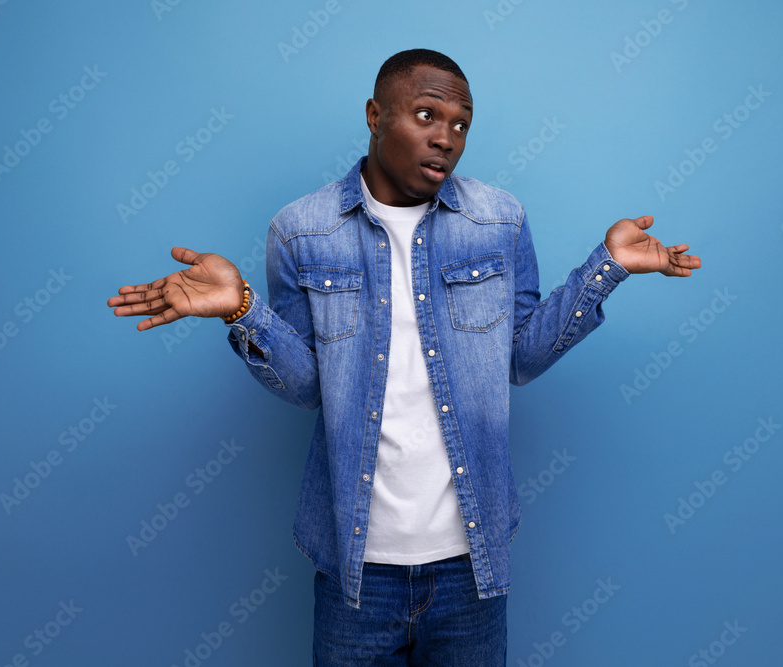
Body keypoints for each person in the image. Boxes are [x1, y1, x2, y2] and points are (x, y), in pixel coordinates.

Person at [107, 48, 700, 665]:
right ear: (374, 115)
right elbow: (308, 385)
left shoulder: (498, 220)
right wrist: (242, 310)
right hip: (355, 571)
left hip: (472, 566)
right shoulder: (301, 230)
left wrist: (605, 272)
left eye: (461, 124)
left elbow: (520, 357)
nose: (445, 138)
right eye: (425, 115)